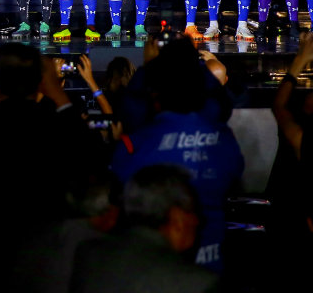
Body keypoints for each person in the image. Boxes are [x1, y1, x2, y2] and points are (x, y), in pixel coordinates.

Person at [110, 40, 244, 272]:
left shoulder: (136, 144)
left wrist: (150, 65)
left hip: (153, 273)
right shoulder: (222, 139)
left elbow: (129, 110)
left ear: (155, 94)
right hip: (210, 268)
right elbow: (221, 105)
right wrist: (193, 63)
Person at [72, 165, 217, 293]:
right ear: (177, 217)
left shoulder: (88, 254)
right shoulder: (196, 283)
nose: (197, 221)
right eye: (194, 211)